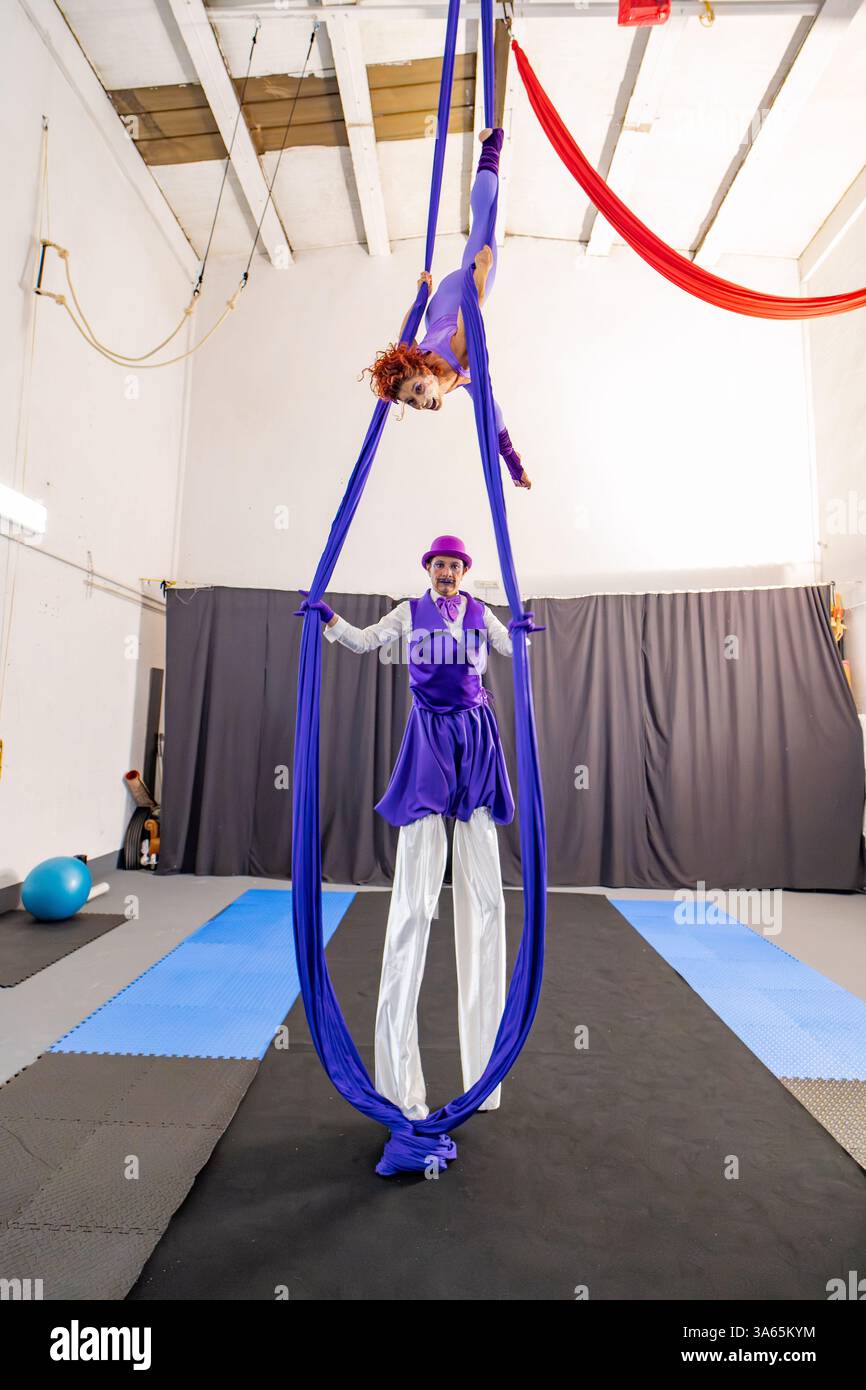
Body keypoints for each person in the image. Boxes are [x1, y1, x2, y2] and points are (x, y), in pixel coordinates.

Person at [303, 534, 526, 1120]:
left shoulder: (482, 613)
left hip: (475, 740)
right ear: (428, 570)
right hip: (430, 741)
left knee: (487, 905)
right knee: (413, 903)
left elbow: (511, 648)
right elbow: (364, 641)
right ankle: (402, 1085)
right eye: (439, 565)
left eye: (455, 566)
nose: (447, 573)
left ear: (464, 571)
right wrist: (329, 619)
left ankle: (485, 1079)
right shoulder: (409, 612)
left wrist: (524, 629)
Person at [362, 129, 532, 491]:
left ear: (422, 370)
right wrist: (513, 466)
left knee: (484, 225)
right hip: (436, 310)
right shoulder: (434, 374)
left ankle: (493, 143)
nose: (420, 403)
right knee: (479, 393)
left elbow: (472, 302)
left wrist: (480, 269)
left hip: (458, 297)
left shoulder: (460, 356)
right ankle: (491, 149)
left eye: (417, 391)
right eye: (412, 399)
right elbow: (490, 413)